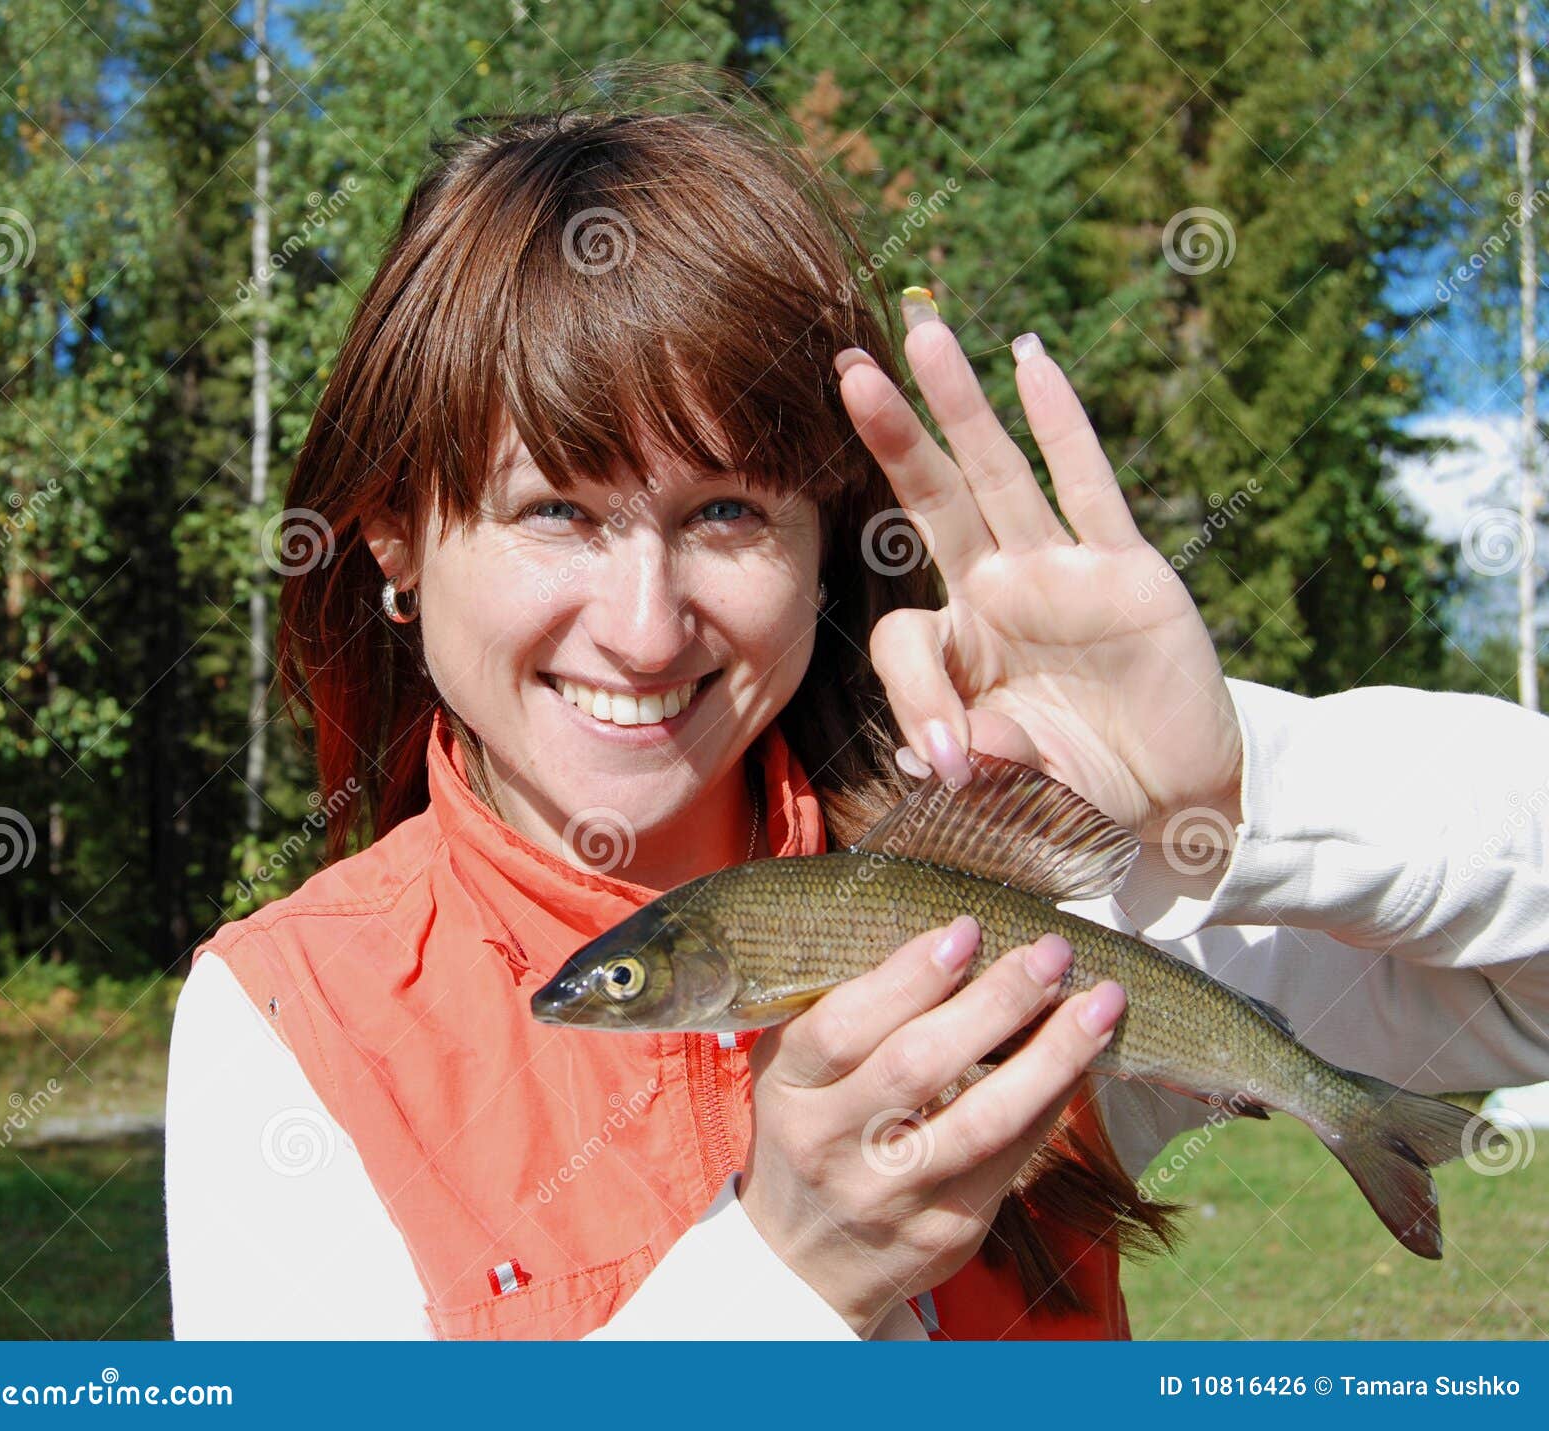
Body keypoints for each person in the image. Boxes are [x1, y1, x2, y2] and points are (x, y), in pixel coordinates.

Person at [164, 95, 1549, 1341]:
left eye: (726, 513)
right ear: (394, 537)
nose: (646, 627)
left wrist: (1235, 797)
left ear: (828, 543)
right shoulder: (291, 1023)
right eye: (555, 512)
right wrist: (785, 1281)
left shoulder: (1011, 880)